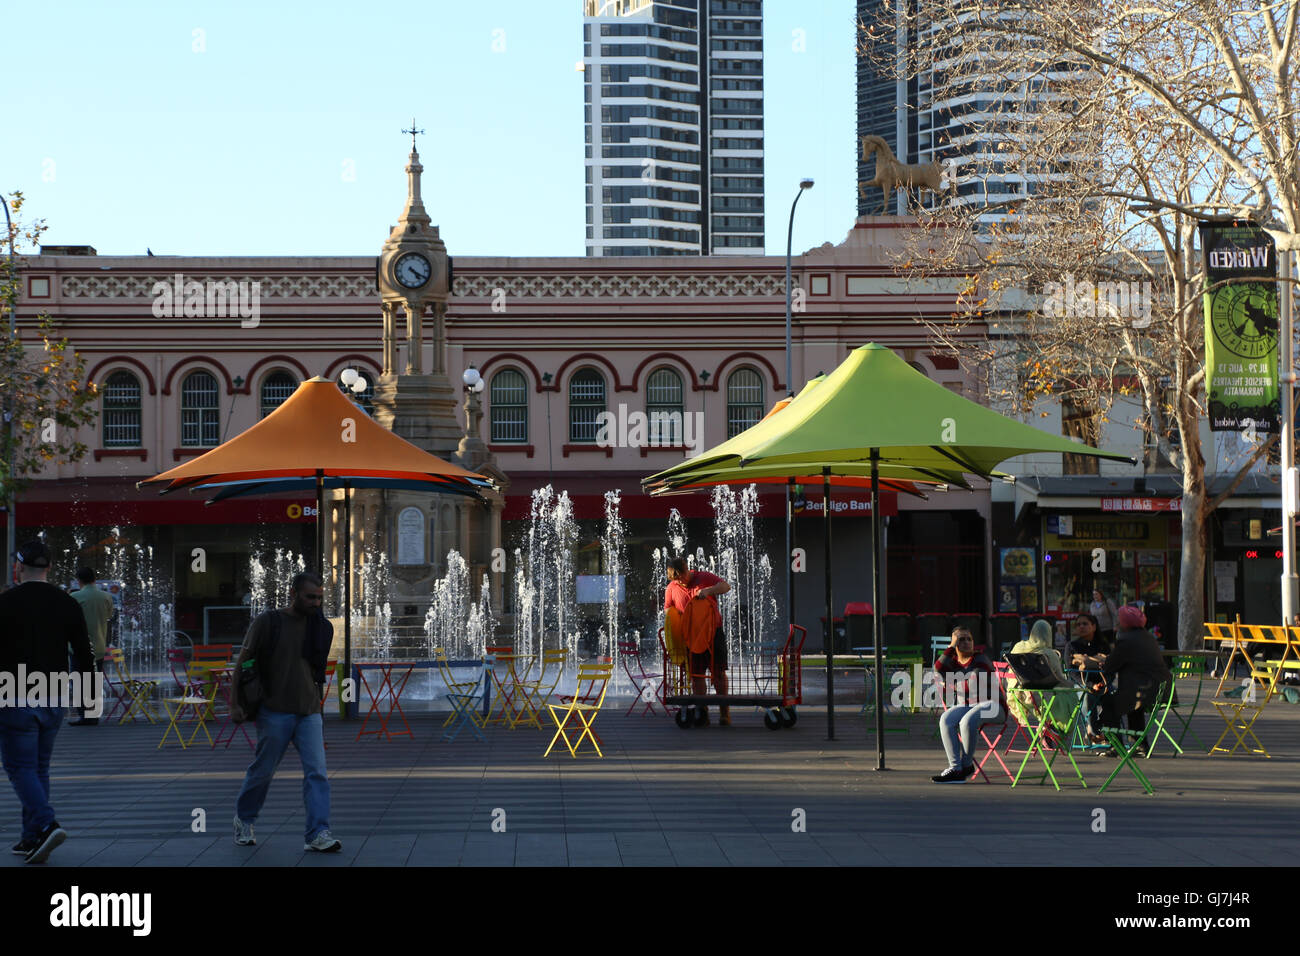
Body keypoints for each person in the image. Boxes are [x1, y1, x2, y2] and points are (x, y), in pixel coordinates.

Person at [0, 540, 95, 863]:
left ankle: (45, 822)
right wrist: (87, 696)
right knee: (39, 766)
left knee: (18, 766)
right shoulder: (67, 603)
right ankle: (31, 838)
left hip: (15, 692)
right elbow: (84, 653)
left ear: (18, 567)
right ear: (49, 568)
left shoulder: (6, 602)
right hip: (55, 693)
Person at [231, 571, 340, 852]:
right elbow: (243, 662)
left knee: (317, 772)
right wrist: (235, 703)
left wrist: (317, 702)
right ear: (294, 594)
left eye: (319, 598)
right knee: (264, 771)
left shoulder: (321, 627)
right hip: (274, 710)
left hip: (309, 712)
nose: (315, 603)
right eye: (310, 597)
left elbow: (315, 671)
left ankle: (318, 833)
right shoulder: (269, 621)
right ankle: (244, 818)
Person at [1091, 605, 1173, 755]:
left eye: (1119, 620)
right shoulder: (1148, 637)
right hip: (1161, 691)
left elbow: (1111, 666)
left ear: (1124, 623)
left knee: (1107, 702)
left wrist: (1103, 662)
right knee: (1134, 708)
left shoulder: (1126, 640)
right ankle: (1140, 745)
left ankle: (1116, 745)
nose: (1117, 623)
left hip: (1142, 692)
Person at [663, 556, 731, 726]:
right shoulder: (672, 588)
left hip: (713, 633)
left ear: (687, 569)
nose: (681, 581)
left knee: (719, 673)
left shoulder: (704, 577)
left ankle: (724, 713)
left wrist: (708, 591)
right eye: (676, 579)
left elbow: (726, 586)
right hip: (691, 637)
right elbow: (668, 612)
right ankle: (703, 713)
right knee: (696, 676)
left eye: (682, 577)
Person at [931, 627, 1001, 783]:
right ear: (954, 643)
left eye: (969, 639)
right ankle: (956, 768)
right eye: (961, 639)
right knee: (946, 719)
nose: (967, 642)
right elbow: (937, 669)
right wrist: (950, 648)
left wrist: (950, 685)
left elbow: (973, 684)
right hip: (971, 705)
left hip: (994, 705)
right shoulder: (954, 662)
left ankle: (967, 765)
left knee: (967, 721)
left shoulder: (980, 659)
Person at [1005, 619, 1075, 732]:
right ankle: (1057, 729)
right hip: (1040, 699)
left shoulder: (1018, 647)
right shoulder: (1049, 654)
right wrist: (1072, 686)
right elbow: (1059, 680)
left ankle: (1048, 727)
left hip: (1018, 695)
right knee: (1070, 695)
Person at [69, 567, 114, 726]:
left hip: (78, 647)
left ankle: (84, 715)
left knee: (79, 681)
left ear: (79, 580)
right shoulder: (106, 597)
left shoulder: (74, 597)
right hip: (99, 646)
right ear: (95, 579)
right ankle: (93, 714)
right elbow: (109, 616)